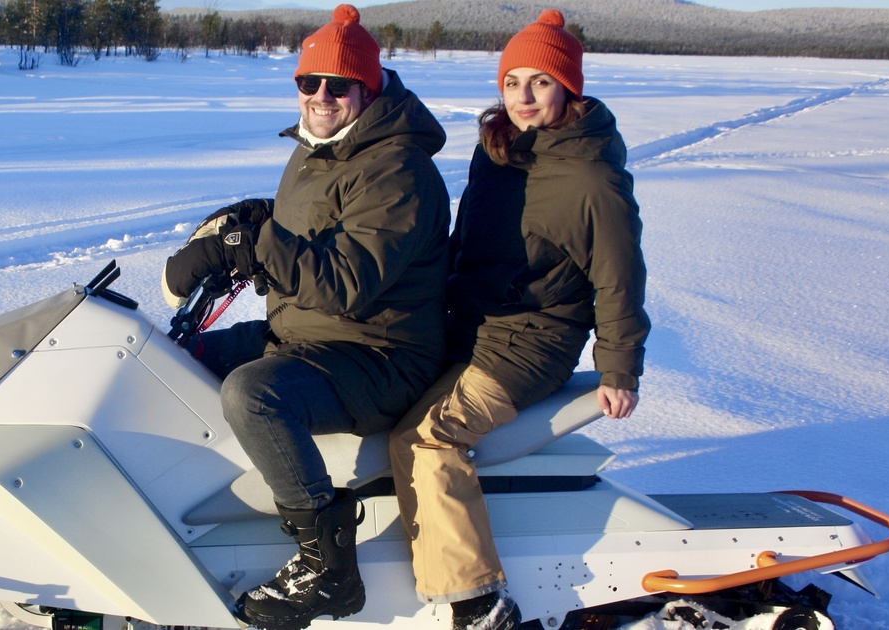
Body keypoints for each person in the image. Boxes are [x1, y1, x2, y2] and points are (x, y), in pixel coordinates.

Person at [160, 5, 452, 630]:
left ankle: (326, 565)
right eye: (307, 82)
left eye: (338, 85)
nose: (320, 96)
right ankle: (179, 507)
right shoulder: (322, 149)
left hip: (379, 355)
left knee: (253, 395)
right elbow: (313, 224)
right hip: (308, 334)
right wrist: (250, 220)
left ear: (368, 90)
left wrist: (257, 241)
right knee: (176, 358)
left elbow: (347, 281)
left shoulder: (398, 170)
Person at [388, 9, 651, 630]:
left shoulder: (592, 178)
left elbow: (620, 277)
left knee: (428, 436)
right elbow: (466, 240)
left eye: (540, 82)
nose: (524, 98)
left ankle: (478, 601)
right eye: (512, 83)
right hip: (467, 321)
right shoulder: (498, 152)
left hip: (532, 341)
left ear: (568, 88)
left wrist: (619, 368)